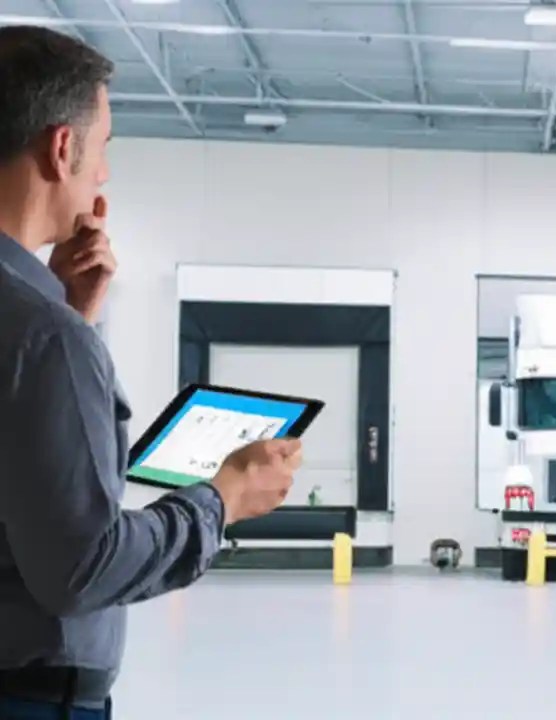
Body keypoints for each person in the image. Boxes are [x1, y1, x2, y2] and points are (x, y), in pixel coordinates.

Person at [0, 26, 303, 719]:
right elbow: (83, 567)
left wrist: (70, 308)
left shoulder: (41, 324)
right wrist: (222, 497)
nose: (103, 172)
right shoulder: (43, 338)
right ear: (62, 148)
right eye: (103, 147)